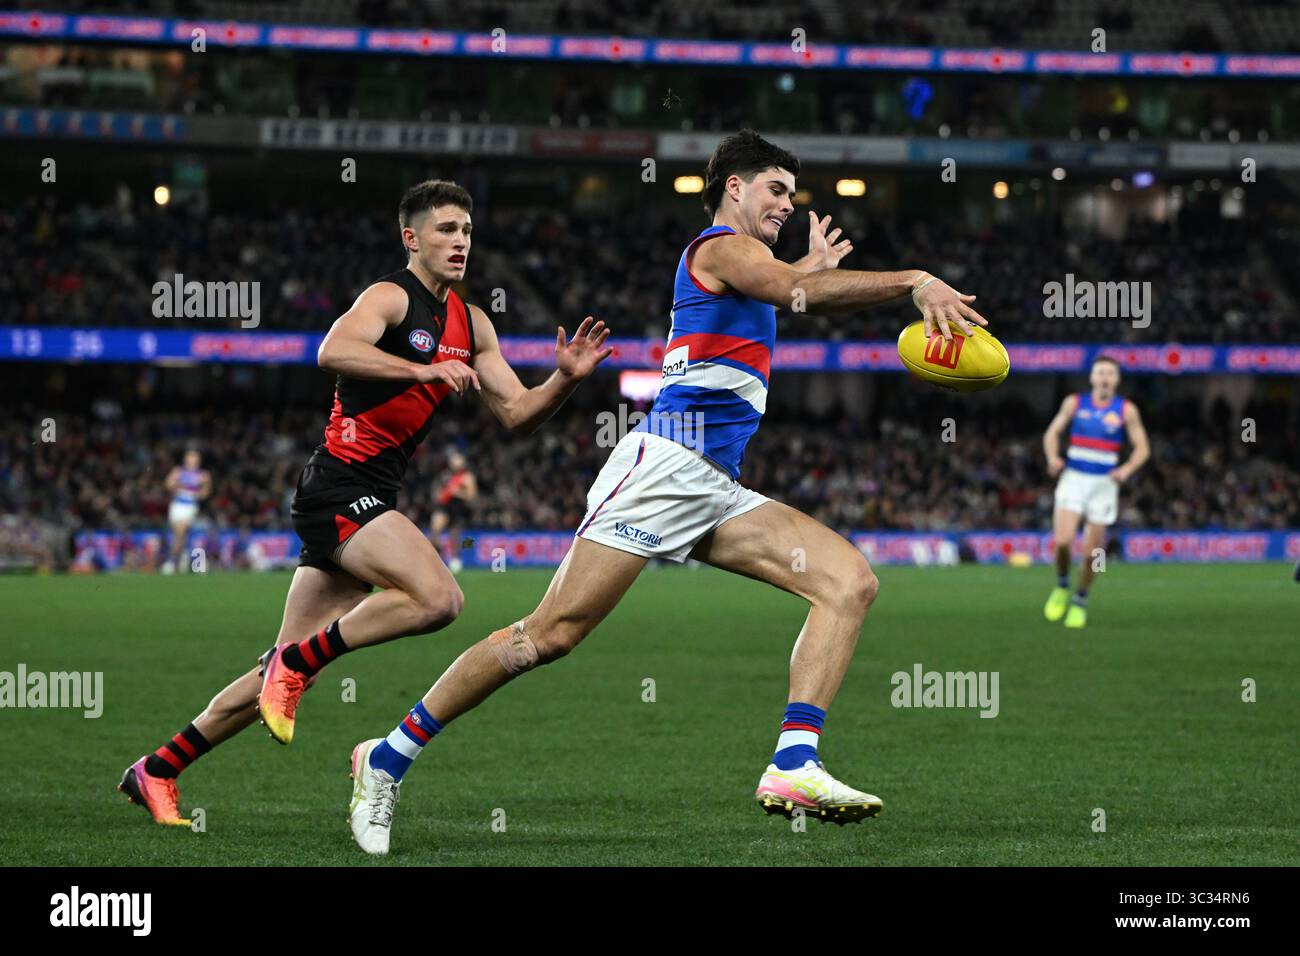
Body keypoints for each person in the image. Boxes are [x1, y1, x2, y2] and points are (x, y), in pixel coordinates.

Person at [346, 130, 988, 854]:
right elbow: (790, 290)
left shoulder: (751, 266)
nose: (788, 203)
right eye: (776, 189)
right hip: (664, 470)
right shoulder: (717, 246)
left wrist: (807, 270)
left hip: (715, 484)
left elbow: (789, 291)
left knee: (848, 582)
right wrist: (912, 280)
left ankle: (793, 763)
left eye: (791, 193)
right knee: (549, 635)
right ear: (734, 188)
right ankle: (388, 756)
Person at [118, 179, 612, 825]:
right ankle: (296, 665)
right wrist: (421, 370)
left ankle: (157, 769)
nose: (460, 241)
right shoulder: (388, 296)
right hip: (339, 488)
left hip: (368, 495)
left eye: (466, 230)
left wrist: (564, 382)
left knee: (278, 673)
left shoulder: (473, 323)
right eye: (445, 230)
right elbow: (333, 350)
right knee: (439, 600)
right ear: (412, 237)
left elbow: (518, 414)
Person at [1041, 356, 1150, 628]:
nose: (1104, 377)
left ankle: (1080, 599)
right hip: (1074, 478)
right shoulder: (1075, 403)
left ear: (1116, 380)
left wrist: (1125, 470)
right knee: (1063, 541)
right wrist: (1053, 457)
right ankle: (1062, 585)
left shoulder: (1126, 410)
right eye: (1100, 372)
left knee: (1092, 555)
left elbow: (1143, 448)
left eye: (1109, 374)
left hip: (1104, 485)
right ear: (1091, 378)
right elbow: (1051, 434)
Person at [161, 449, 210, 574]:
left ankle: (171, 562)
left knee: (181, 530)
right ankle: (182, 557)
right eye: (190, 457)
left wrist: (196, 492)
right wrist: (179, 486)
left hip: (190, 507)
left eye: (194, 457)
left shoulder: (203, 474)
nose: (192, 460)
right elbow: (168, 484)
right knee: (179, 535)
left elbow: (205, 493)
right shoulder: (178, 471)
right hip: (177, 505)